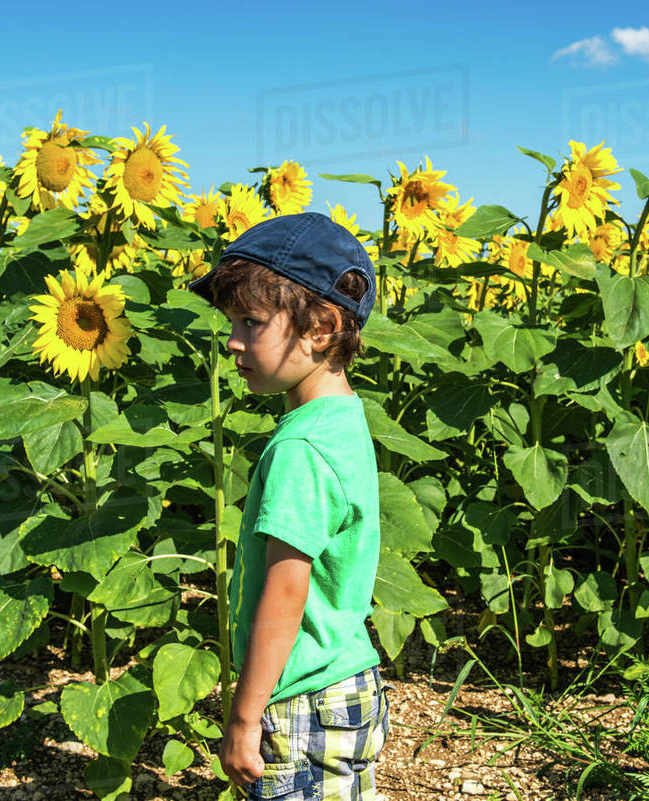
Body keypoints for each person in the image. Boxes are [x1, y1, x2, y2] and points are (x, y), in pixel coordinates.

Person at [188, 212, 390, 800]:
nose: (232, 341)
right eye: (232, 322)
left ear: (322, 327)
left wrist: (245, 717)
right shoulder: (343, 421)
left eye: (251, 323)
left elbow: (285, 590)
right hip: (347, 677)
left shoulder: (300, 448)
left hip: (302, 696)